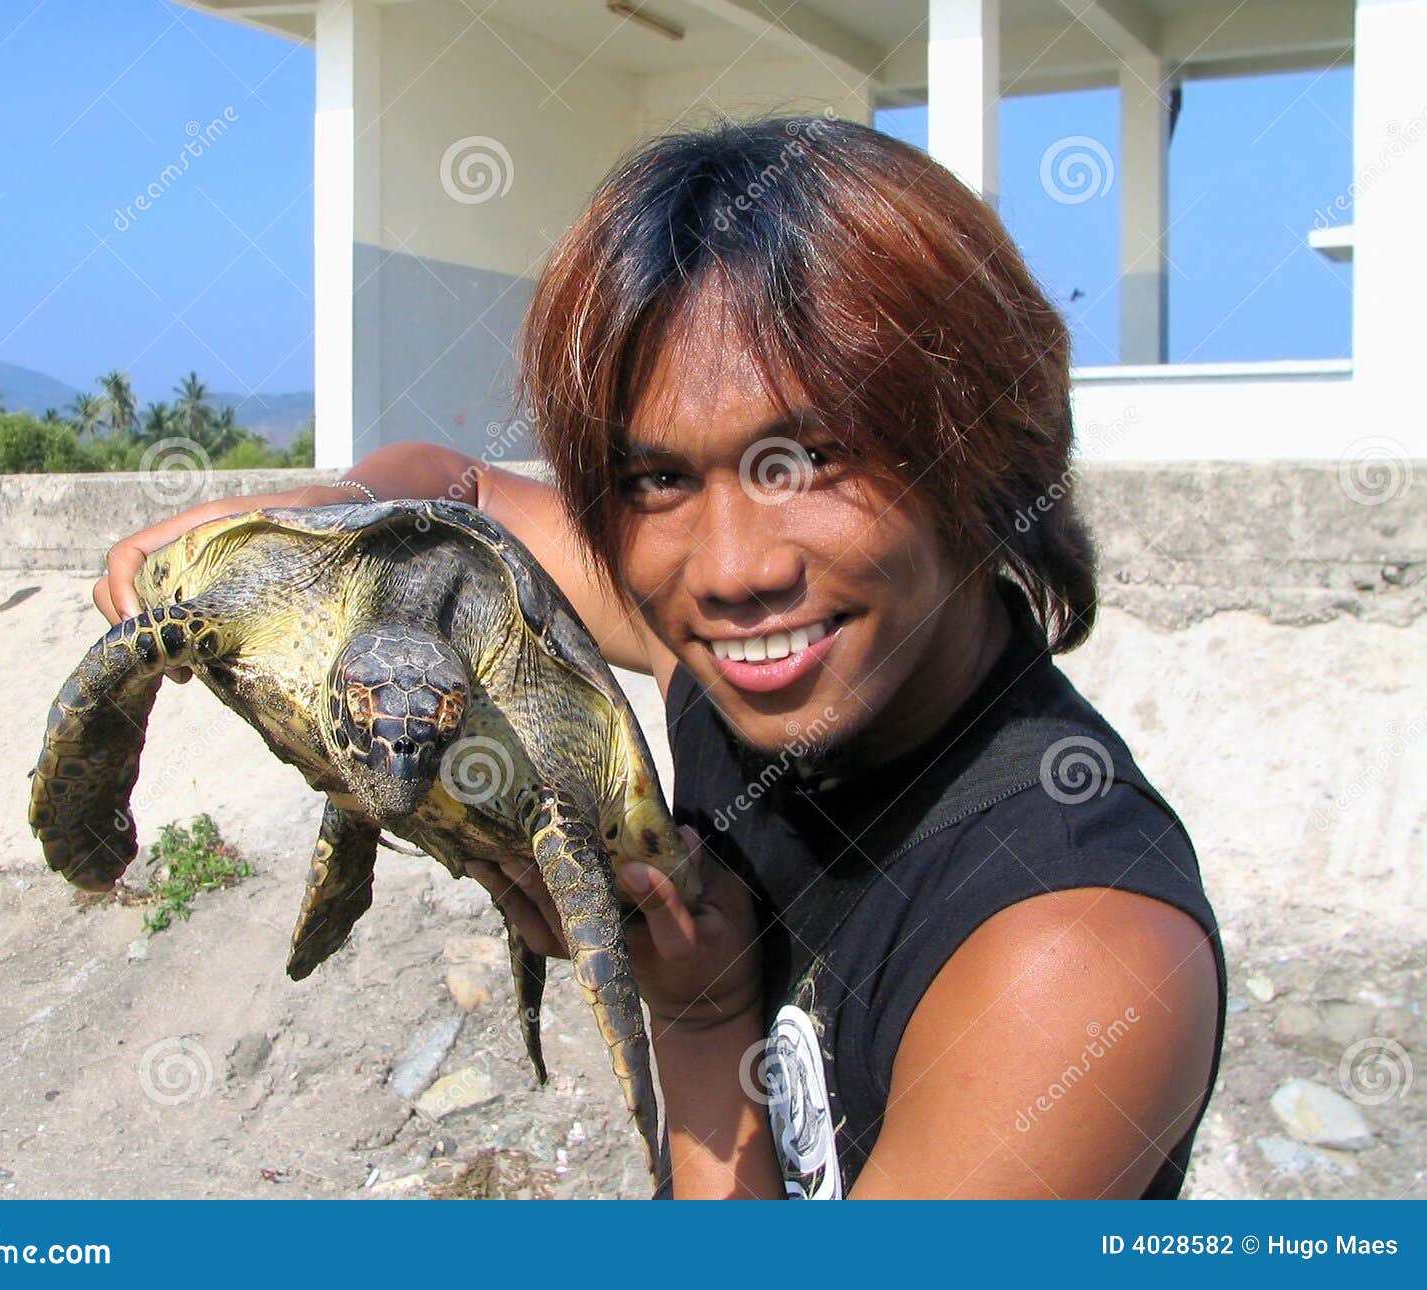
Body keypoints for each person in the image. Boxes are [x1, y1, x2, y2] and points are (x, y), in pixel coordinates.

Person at [94, 117, 1225, 1200]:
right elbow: (462, 489)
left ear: (983, 444)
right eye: (654, 480)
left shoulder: (1072, 951)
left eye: (807, 460)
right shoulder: (743, 673)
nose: (729, 570)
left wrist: (696, 1025)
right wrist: (322, 518)